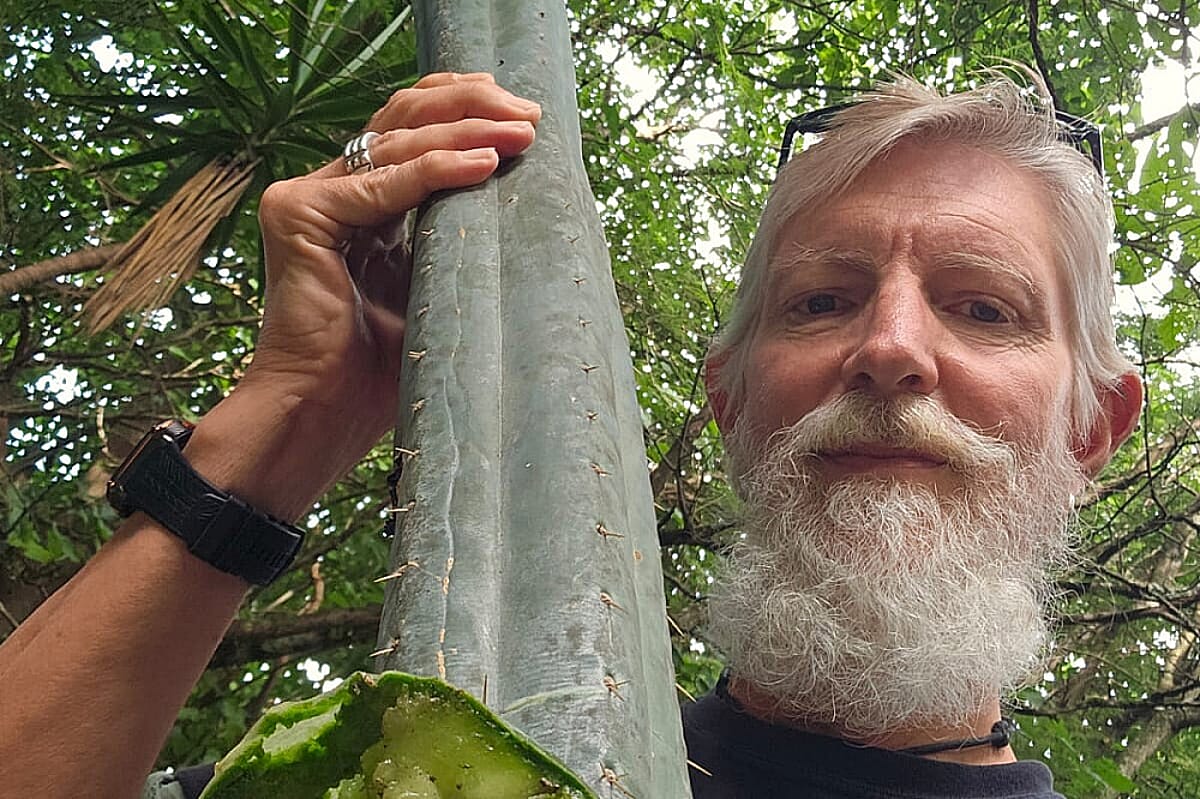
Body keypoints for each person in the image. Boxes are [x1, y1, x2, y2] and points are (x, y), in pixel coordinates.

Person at [0, 66, 1141, 799]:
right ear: (730, 400)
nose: (889, 346)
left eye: (984, 308)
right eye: (822, 300)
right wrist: (299, 407)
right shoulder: (429, 770)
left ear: (1093, 426)